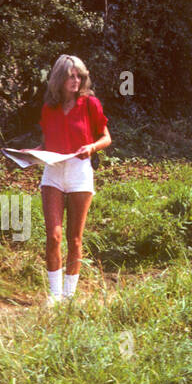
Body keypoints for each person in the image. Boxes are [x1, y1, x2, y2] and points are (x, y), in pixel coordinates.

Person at [37, 54, 111, 306]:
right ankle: (54, 296)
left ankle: (69, 297)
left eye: (80, 76)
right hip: (54, 174)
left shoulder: (90, 104)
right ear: (59, 78)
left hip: (80, 173)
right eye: (72, 76)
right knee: (53, 236)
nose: (77, 80)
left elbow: (106, 137)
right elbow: (47, 142)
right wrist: (31, 154)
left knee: (74, 238)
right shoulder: (49, 107)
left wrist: (91, 148)